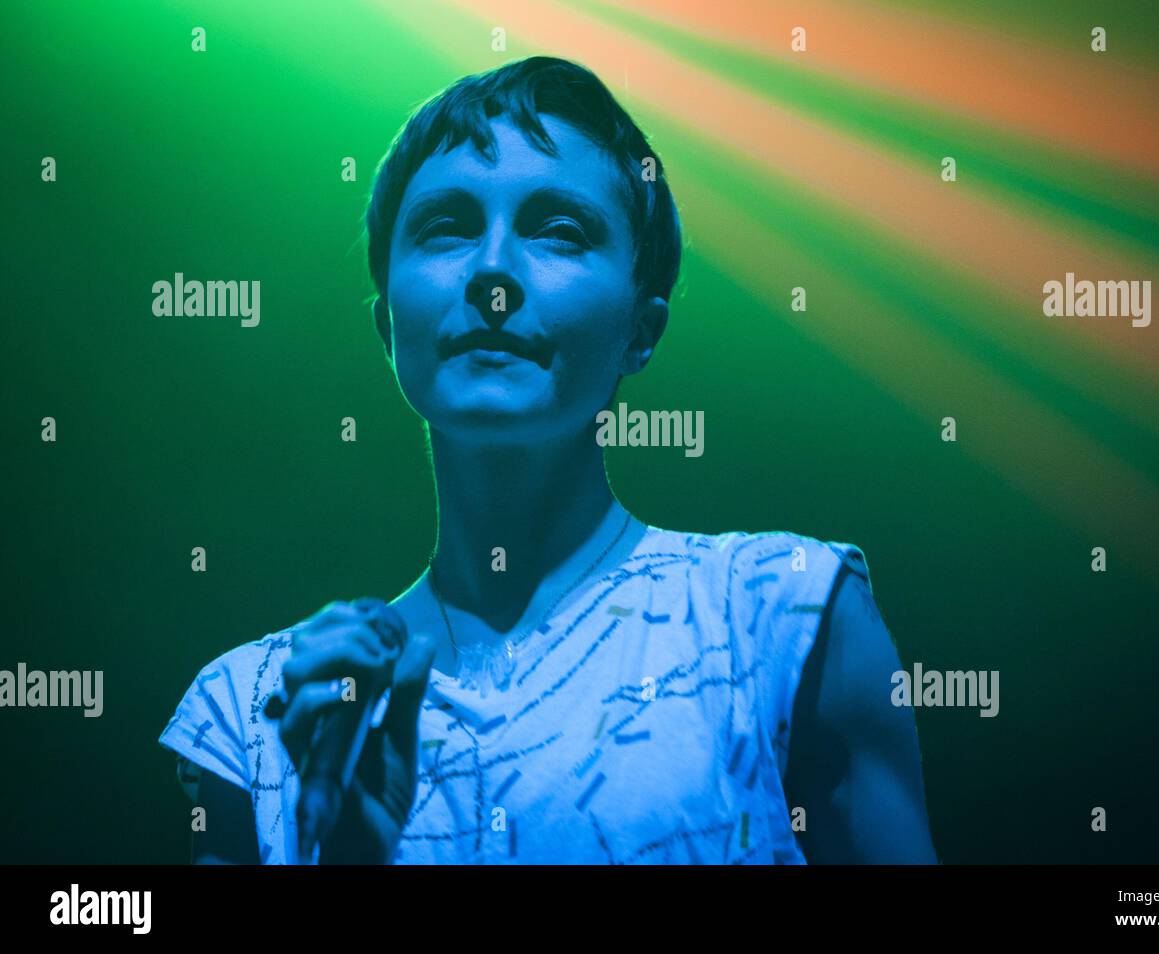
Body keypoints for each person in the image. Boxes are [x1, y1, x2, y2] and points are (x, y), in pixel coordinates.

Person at [158, 55, 937, 865]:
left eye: (558, 231)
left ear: (642, 329)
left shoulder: (785, 620)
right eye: (447, 227)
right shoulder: (250, 712)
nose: (493, 275)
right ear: (389, 324)